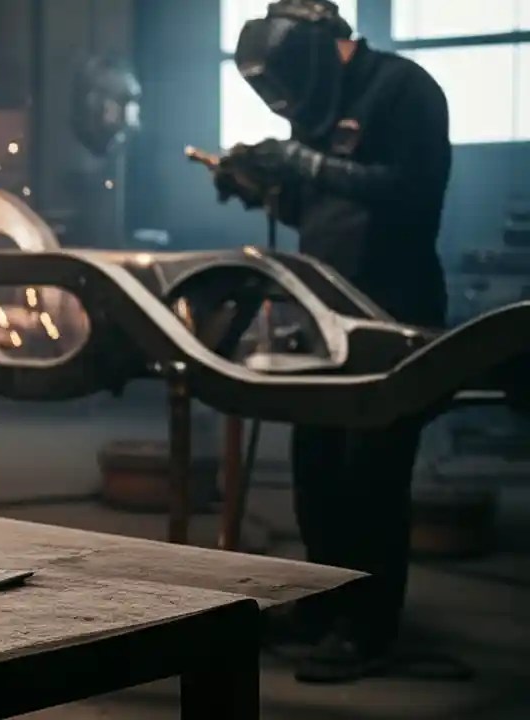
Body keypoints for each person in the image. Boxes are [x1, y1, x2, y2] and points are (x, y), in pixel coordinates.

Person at [211, 0, 452, 684]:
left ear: (320, 49)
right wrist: (261, 187)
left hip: (392, 317)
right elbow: (322, 213)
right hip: (322, 321)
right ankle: (324, 611)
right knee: (316, 474)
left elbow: (412, 190)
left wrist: (304, 163)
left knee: (370, 479)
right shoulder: (321, 111)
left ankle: (369, 631)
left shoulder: (405, 89)